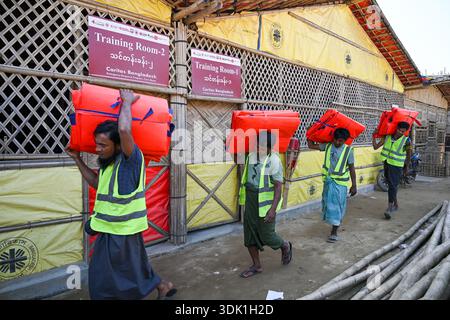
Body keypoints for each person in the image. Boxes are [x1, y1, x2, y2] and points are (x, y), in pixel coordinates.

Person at [66, 89, 176, 300]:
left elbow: (125, 129)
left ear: (118, 145)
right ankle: (162, 285)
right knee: (130, 269)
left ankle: (159, 285)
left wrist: (126, 102)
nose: (97, 149)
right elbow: (96, 183)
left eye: (103, 145)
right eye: (96, 143)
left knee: (109, 278)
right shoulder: (110, 165)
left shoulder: (131, 161)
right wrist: (77, 158)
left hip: (123, 231)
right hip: (108, 229)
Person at [238, 131, 292, 279]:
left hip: (266, 204)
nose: (258, 149)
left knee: (267, 235)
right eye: (257, 145)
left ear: (270, 148)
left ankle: (284, 245)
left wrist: (272, 210)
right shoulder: (250, 156)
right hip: (250, 200)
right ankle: (256, 266)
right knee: (249, 236)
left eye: (262, 147)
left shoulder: (274, 161)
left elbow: (278, 187)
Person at [307, 128, 357, 243]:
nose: (338, 143)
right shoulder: (328, 146)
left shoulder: (349, 151)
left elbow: (352, 168)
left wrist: (354, 185)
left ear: (345, 141)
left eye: (341, 141)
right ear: (333, 138)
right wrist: (310, 132)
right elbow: (310, 145)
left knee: (337, 207)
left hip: (340, 183)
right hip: (328, 182)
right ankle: (333, 225)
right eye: (336, 140)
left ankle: (334, 231)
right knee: (327, 204)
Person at [372, 122, 412, 220]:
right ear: (396, 128)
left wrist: (406, 167)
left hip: (397, 166)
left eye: (403, 131)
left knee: (393, 186)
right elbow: (375, 147)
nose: (401, 133)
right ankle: (396, 204)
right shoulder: (387, 137)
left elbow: (409, 154)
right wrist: (373, 136)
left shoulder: (407, 140)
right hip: (386, 163)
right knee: (391, 185)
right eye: (399, 130)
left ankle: (390, 208)